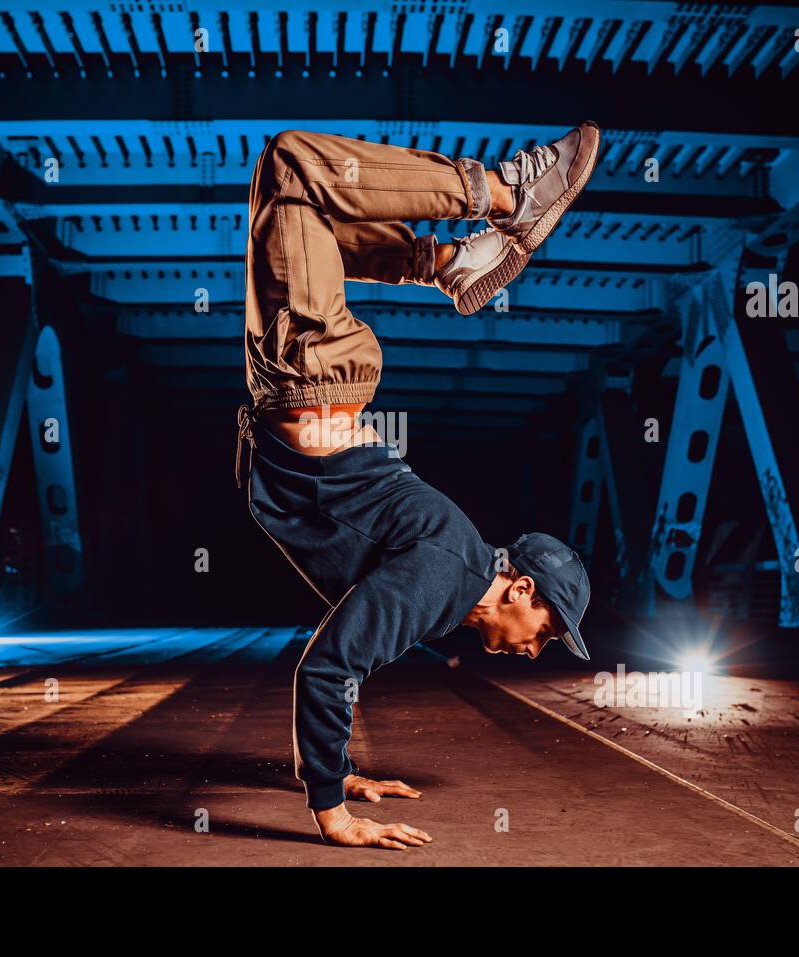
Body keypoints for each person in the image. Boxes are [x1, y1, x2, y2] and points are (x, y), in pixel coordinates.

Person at [235, 124, 599, 850]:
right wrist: (333, 814)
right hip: (312, 374)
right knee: (292, 166)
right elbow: (329, 665)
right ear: (520, 589)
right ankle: (503, 195)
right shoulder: (450, 574)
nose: (536, 651)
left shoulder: (448, 586)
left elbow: (336, 651)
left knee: (300, 208)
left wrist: (335, 772)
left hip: (306, 385)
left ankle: (450, 263)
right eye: (549, 631)